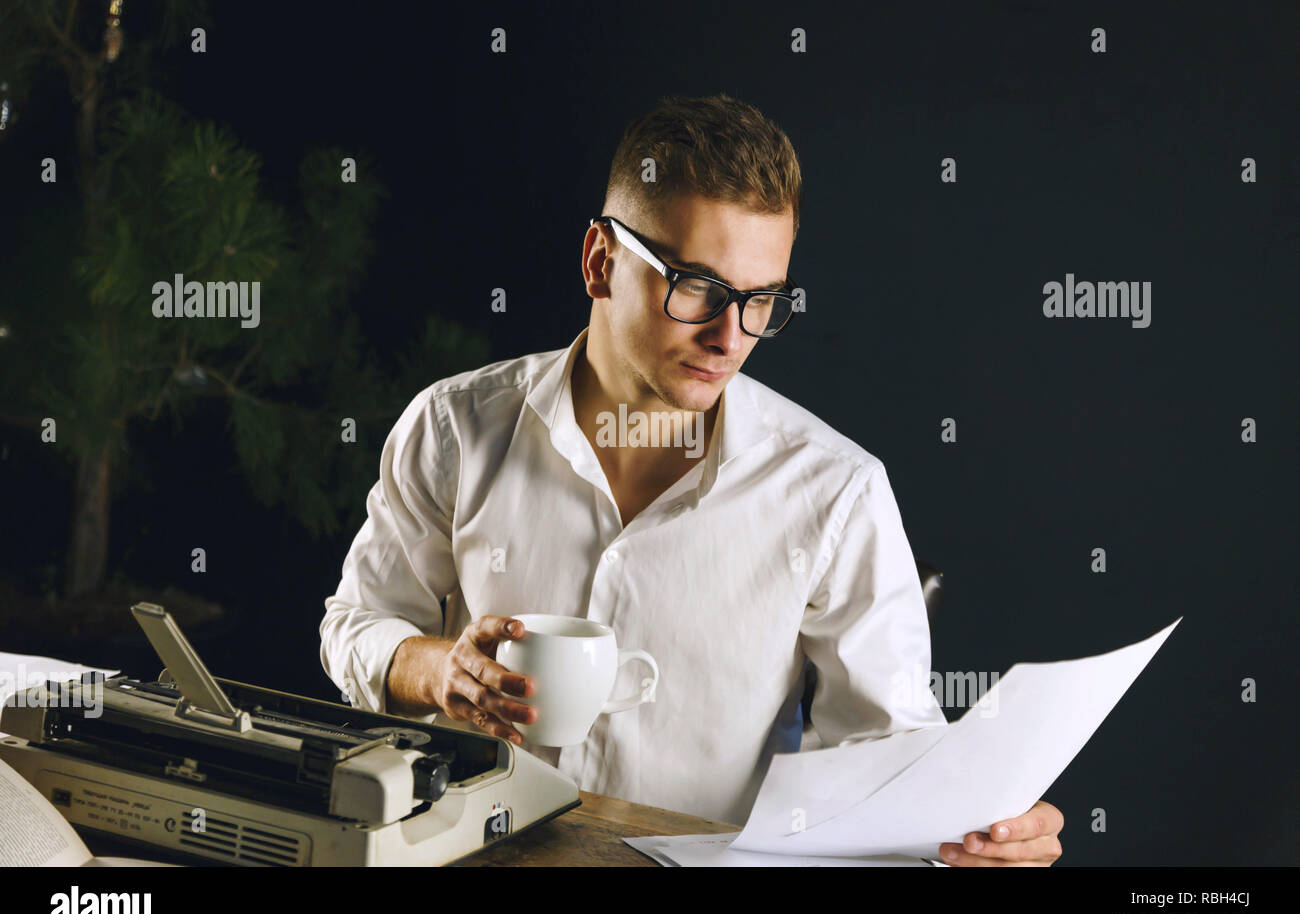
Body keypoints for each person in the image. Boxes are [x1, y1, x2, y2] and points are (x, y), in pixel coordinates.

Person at [319, 92, 1064, 865]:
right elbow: (356, 624)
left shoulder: (836, 491)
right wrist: (440, 670)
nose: (728, 337)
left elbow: (888, 750)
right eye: (698, 286)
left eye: (761, 301)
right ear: (600, 262)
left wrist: (978, 828)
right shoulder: (455, 427)